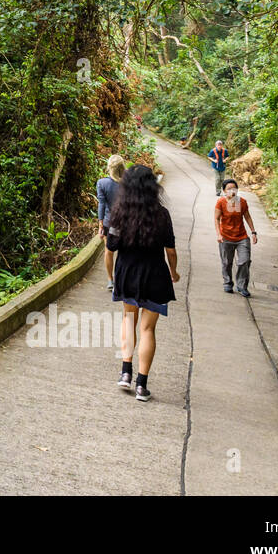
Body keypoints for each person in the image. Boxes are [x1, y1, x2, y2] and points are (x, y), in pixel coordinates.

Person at [106, 165, 180, 402]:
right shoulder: (162, 214)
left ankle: (125, 373)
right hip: (155, 275)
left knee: (129, 320)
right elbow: (170, 250)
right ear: (152, 186)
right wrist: (174, 272)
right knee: (148, 329)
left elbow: (111, 246)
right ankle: (141, 386)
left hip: (128, 274)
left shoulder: (120, 213)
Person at [215, 178, 258, 297]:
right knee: (226, 262)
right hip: (226, 237)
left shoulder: (242, 202)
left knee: (244, 261)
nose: (232, 191)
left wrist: (253, 232)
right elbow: (217, 218)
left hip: (241, 237)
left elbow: (247, 217)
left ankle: (242, 286)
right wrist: (219, 234)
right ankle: (228, 283)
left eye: (234, 188)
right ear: (224, 191)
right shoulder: (221, 202)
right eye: (229, 189)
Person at [96, 155, 126, 290]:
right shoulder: (129, 183)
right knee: (125, 252)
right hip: (127, 223)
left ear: (109, 167)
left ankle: (110, 280)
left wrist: (100, 225)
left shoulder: (102, 183)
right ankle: (121, 279)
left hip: (109, 223)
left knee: (109, 251)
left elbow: (101, 205)